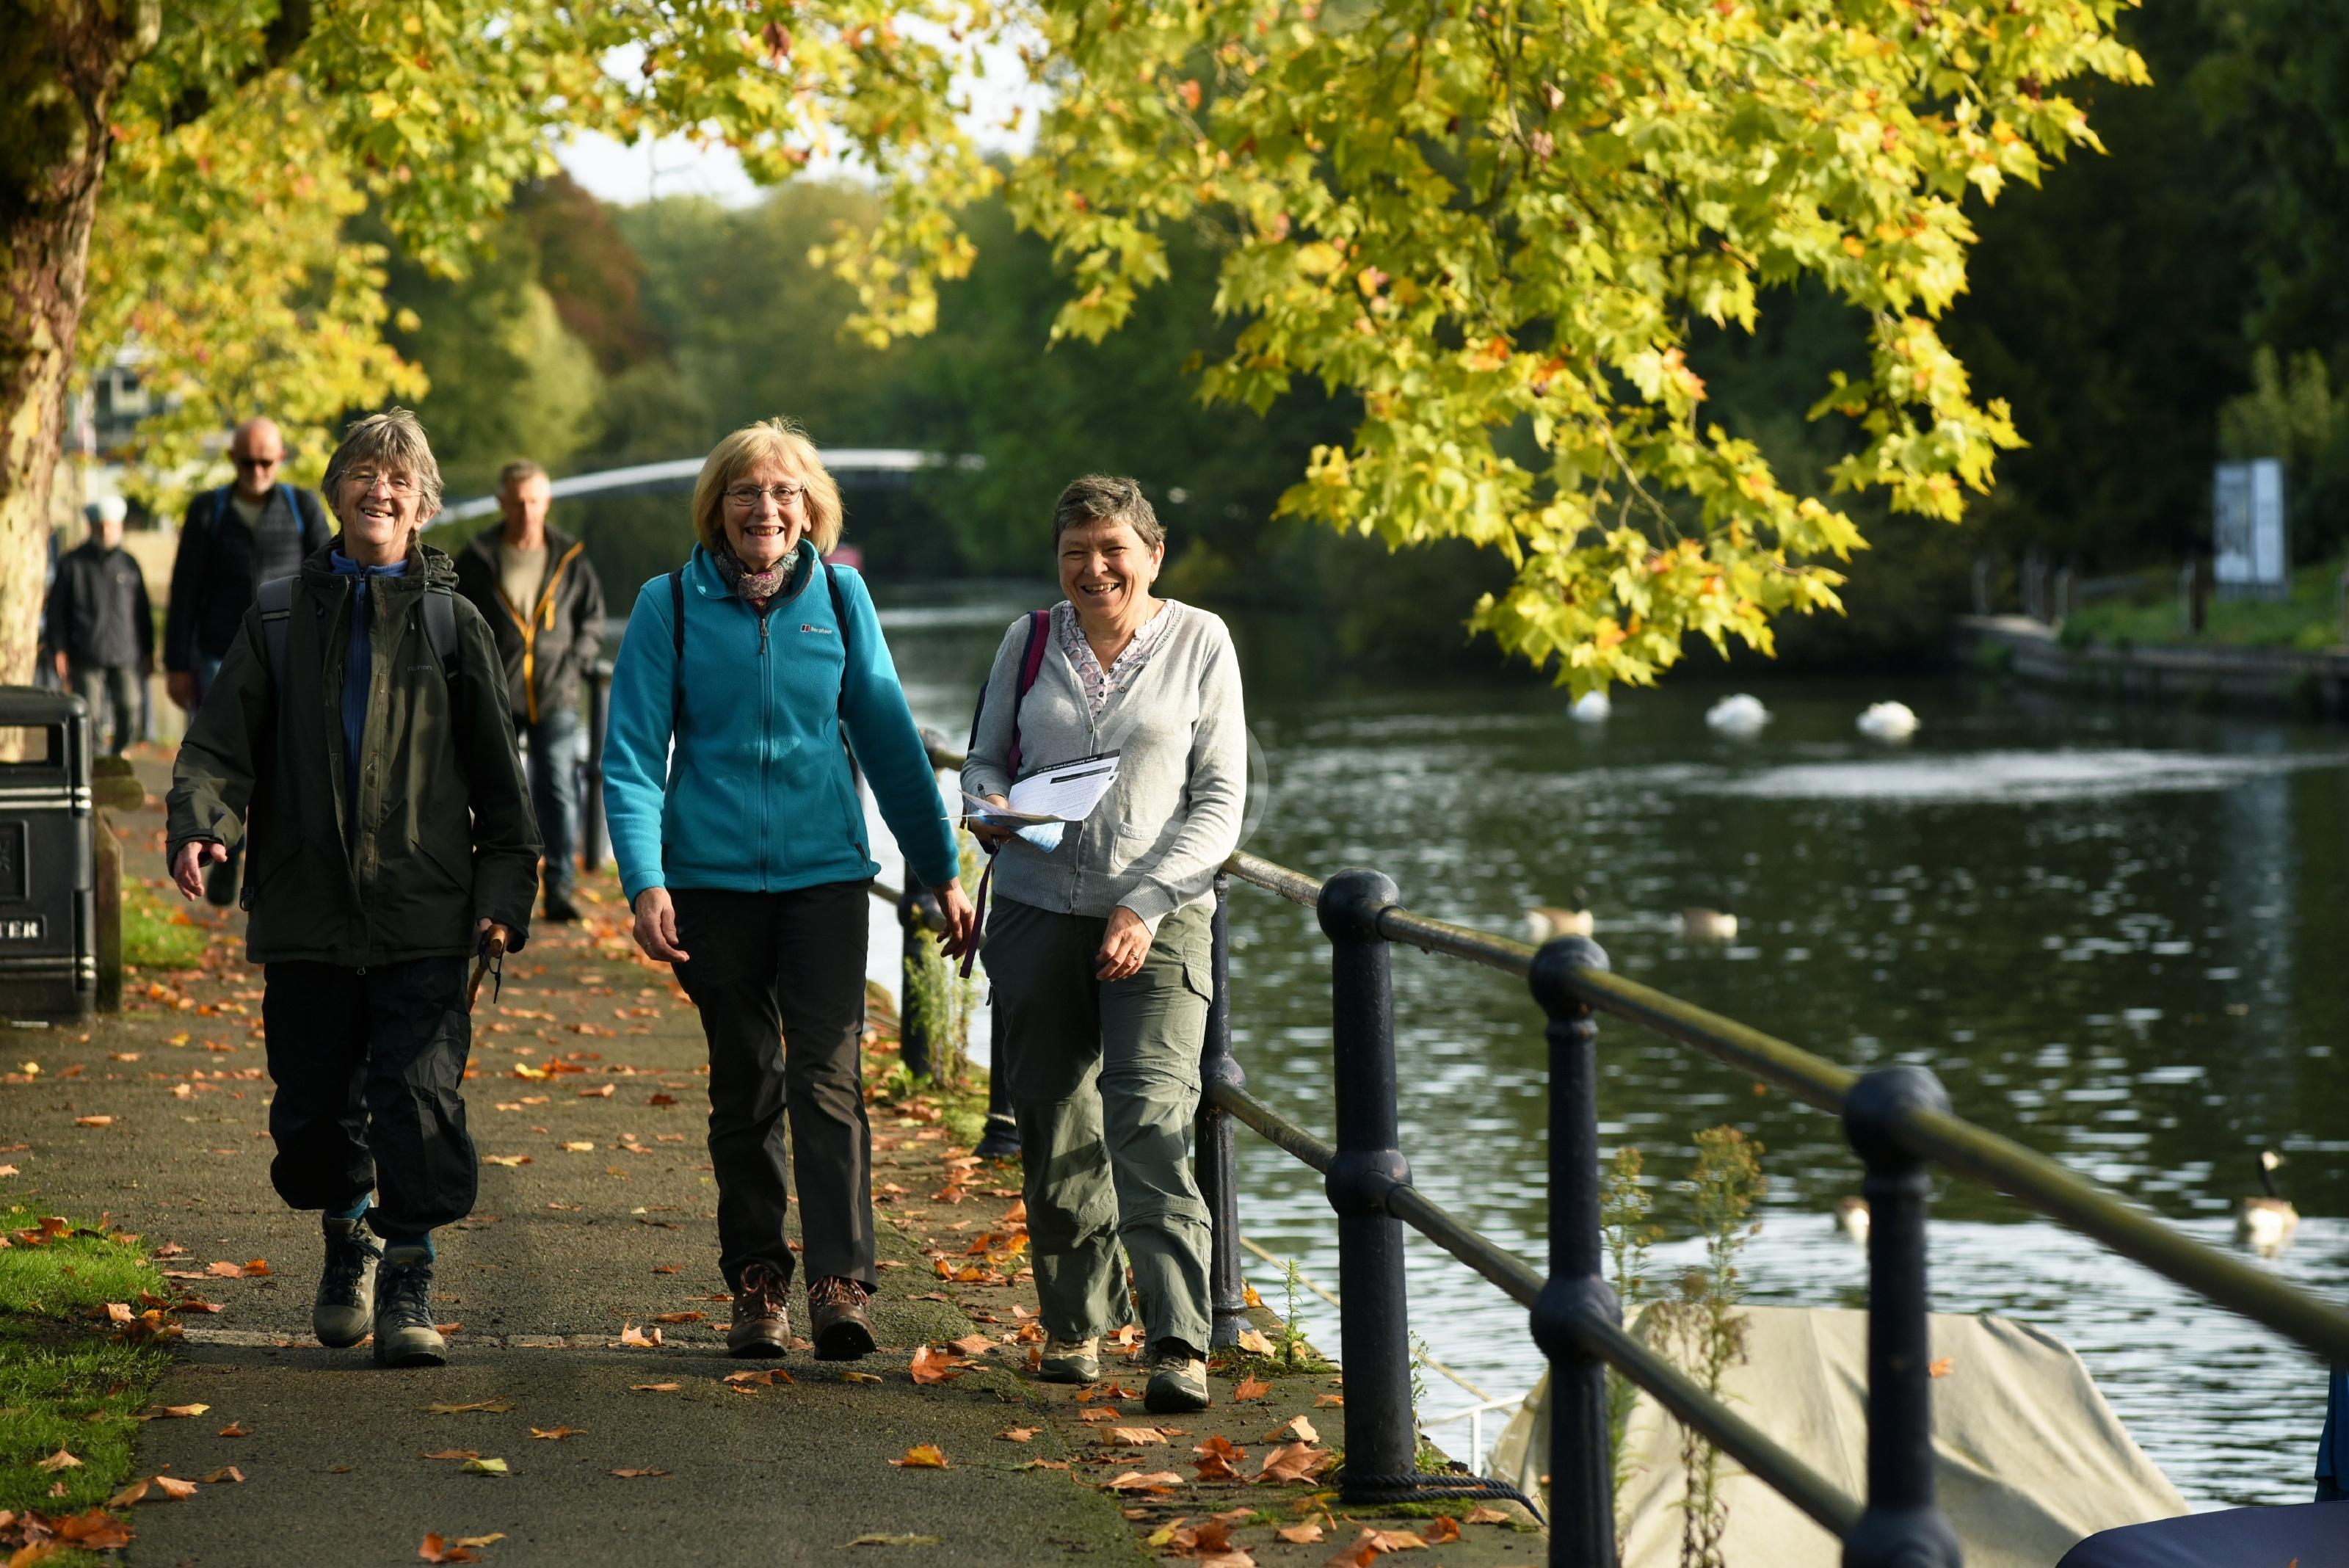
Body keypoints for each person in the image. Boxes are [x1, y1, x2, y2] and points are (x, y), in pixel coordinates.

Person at [164, 409, 539, 1369]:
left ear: (423, 507)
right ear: (334, 493)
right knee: (314, 1110)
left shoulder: (457, 626)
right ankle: (349, 1233)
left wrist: (504, 894)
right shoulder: (280, 617)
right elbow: (217, 748)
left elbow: (503, 788)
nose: (381, 490)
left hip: (424, 910)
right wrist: (205, 829)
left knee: (418, 1099)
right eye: (365, 475)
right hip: (305, 909)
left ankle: (409, 1271)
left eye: (400, 481)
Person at [602, 417, 977, 1361]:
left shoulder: (842, 601)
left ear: (809, 508)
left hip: (824, 881)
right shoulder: (669, 607)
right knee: (746, 1083)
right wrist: (644, 880)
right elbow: (633, 759)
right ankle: (759, 1282)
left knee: (828, 1077)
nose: (764, 508)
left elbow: (891, 743)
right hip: (709, 885)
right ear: (716, 509)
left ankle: (840, 1283)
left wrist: (936, 868)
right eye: (744, 493)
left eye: (782, 493)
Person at [962, 474, 1246, 1415]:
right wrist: (987, 812)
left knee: (1148, 1116)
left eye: (1113, 548)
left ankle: (1177, 1341)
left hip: (1158, 924)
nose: (1094, 568)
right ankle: (1074, 1327)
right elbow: (986, 763)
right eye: (1076, 551)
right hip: (1037, 911)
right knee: (1052, 1123)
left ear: (1152, 555)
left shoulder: (1200, 641)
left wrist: (1148, 901)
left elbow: (1218, 800)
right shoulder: (1028, 639)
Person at [163, 416, 333, 902]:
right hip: (219, 653)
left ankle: (257, 862)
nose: (257, 470)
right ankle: (221, 849)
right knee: (224, 758)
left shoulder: (301, 508)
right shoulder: (207, 511)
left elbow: (325, 581)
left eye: (266, 460)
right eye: (247, 461)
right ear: (233, 460)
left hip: (289, 654)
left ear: (280, 459)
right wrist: (177, 662)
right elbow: (185, 591)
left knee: (278, 763)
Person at [453, 460, 608, 923]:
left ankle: (560, 887)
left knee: (557, 785)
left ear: (547, 502)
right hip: (495, 691)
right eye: (518, 502)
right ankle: (487, 888)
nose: (527, 511)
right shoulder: (478, 555)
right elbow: (455, 617)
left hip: (555, 692)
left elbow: (593, 619)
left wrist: (577, 661)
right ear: (502, 503)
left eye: (535, 501)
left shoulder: (570, 556)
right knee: (490, 787)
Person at [46, 496, 153, 755]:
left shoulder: (130, 564)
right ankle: (95, 764)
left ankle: (119, 754)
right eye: (100, 525)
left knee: (130, 706)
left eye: (111, 526)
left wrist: (148, 650)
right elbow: (56, 611)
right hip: (86, 653)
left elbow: (142, 611)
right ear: (91, 526)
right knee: (89, 714)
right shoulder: (72, 563)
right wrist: (58, 648)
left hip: (125, 652)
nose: (105, 531)